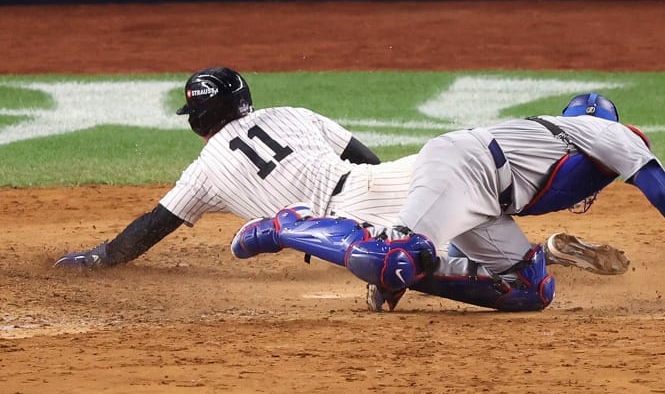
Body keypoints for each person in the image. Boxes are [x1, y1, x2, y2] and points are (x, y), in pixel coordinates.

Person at [53, 66, 608, 275]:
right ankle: (542, 247)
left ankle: (528, 259)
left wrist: (101, 257)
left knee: (411, 265)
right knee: (461, 209)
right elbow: (362, 156)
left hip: (351, 211)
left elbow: (152, 227)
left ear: (198, 117)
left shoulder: (204, 171)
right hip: (386, 176)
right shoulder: (289, 113)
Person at [232, 91, 665, 312]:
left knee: (531, 289)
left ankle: (415, 271)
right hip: (465, 166)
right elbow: (663, 188)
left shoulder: (569, 138)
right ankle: (286, 226)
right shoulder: (611, 133)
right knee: (392, 260)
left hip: (488, 200)